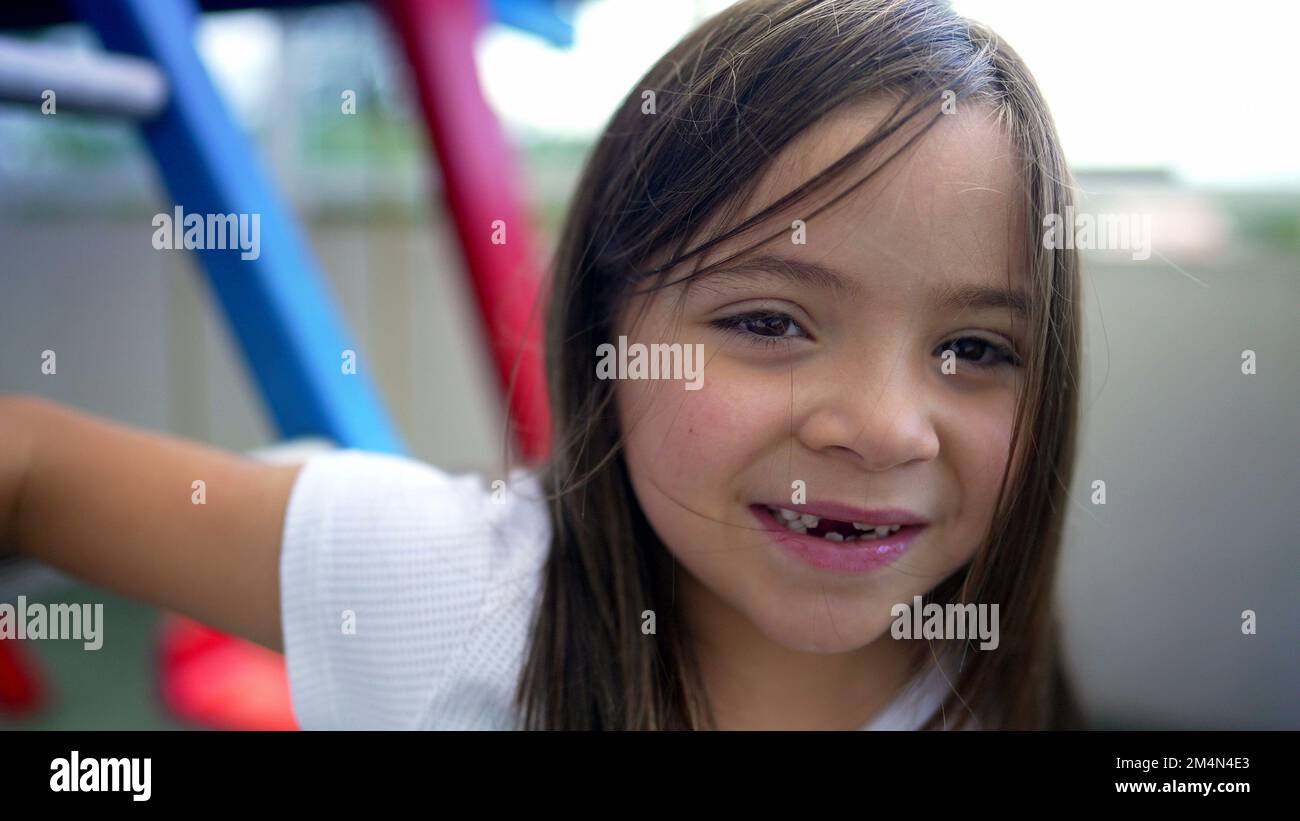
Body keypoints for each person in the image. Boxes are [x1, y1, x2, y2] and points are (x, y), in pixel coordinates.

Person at [0, 0, 1084, 730]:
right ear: (605, 331)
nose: (886, 425)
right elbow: (31, 459)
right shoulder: (451, 588)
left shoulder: (991, 678)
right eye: (768, 322)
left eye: (973, 349)